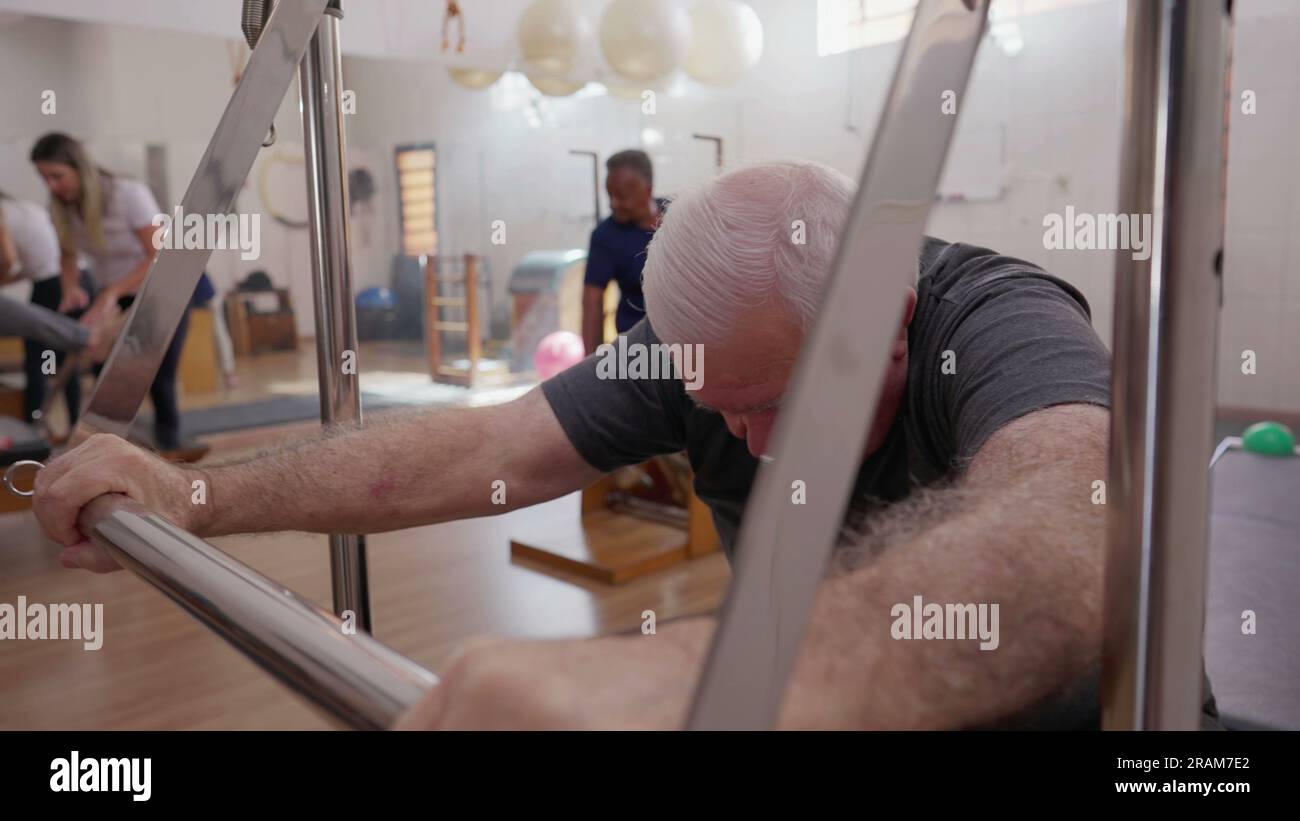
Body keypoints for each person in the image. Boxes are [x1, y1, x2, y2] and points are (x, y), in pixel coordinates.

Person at [28, 160, 1219, 730]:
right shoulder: (700, 351)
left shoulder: (1001, 318)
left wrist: (705, 673)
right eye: (720, 402)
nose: (744, 437)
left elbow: (1078, 523)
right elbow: (485, 445)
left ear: (887, 315)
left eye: (777, 403)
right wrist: (190, 495)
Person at [30, 133, 197, 454]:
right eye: (44, 177)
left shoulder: (127, 194)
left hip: (163, 288)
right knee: (102, 367)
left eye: (57, 176)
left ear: (79, 168)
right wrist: (70, 287)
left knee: (157, 374)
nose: (51, 185)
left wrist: (110, 293)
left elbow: (158, 255)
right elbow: (67, 254)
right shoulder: (63, 207)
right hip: (116, 291)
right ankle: (110, 447)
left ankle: (171, 449)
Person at [0, 188, 94, 426]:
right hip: (78, 277)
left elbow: (9, 260)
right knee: (64, 356)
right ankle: (74, 423)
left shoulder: (3, 213)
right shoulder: (26, 208)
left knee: (38, 359)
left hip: (53, 284)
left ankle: (33, 424)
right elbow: (30, 265)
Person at [581, 149, 668, 354]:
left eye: (622, 196)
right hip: (639, 350)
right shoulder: (606, 236)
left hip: (688, 344)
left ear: (647, 190)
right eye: (610, 195)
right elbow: (592, 303)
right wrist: (592, 364)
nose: (614, 204)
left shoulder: (678, 215)